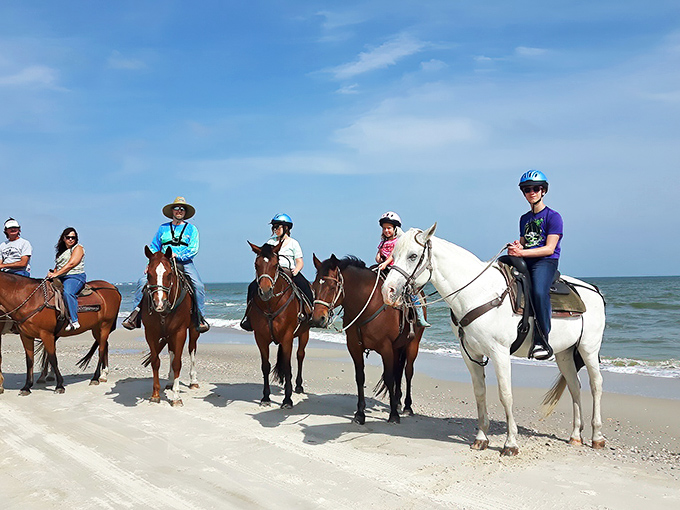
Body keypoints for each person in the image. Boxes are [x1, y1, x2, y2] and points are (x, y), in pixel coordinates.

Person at [123, 197, 210, 333]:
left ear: (185, 212)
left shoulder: (192, 229)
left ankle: (200, 317)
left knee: (198, 286)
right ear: (172, 211)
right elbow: (153, 247)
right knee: (141, 282)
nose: (179, 211)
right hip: (162, 262)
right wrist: (150, 264)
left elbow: (194, 248)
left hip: (184, 262)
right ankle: (135, 315)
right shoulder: (162, 228)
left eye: (182, 209)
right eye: (177, 208)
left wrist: (178, 255)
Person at [507, 170, 563, 360]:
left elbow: (549, 248)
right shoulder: (524, 219)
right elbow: (524, 241)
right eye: (527, 189)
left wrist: (522, 252)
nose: (532, 192)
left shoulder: (554, 217)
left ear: (543, 191)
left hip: (545, 261)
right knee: (501, 267)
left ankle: (543, 340)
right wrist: (516, 246)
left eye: (536, 189)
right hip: (527, 258)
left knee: (539, 292)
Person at [240, 213, 313, 332]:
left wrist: (296, 270)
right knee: (252, 286)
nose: (275, 230)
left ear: (286, 228)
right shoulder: (270, 241)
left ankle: (310, 312)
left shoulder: (293, 243)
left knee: (304, 285)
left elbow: (300, 261)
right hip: (272, 271)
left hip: (289, 271)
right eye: (274, 227)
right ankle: (248, 317)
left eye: (278, 227)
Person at [376, 211, 430, 327]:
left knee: (410, 291)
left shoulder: (398, 241)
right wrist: (378, 258)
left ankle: (419, 313)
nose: (386, 231)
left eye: (389, 228)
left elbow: (393, 255)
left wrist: (385, 263)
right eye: (384, 228)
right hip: (384, 267)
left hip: (396, 268)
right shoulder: (383, 242)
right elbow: (380, 252)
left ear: (395, 229)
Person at [47, 227, 86, 331]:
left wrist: (57, 274)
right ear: (63, 238)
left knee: (68, 293)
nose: (70, 239)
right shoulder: (61, 251)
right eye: (68, 237)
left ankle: (74, 320)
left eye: (73, 237)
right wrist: (52, 273)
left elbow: (71, 264)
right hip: (61, 276)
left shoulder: (78, 248)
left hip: (74, 276)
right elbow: (58, 265)